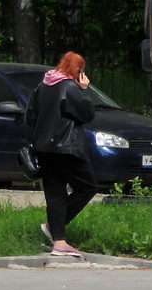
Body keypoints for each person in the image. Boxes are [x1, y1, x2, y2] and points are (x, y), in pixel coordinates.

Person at [25, 52, 98, 257]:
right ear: (78, 70)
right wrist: (84, 90)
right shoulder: (71, 87)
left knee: (55, 192)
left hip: (44, 148)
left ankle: (59, 240)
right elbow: (87, 115)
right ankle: (53, 227)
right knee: (87, 187)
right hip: (67, 148)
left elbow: (30, 116)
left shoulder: (42, 86)